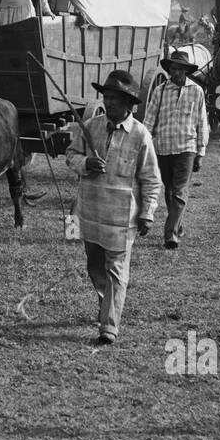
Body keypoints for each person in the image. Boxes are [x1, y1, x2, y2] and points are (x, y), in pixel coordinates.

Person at [64, 70, 163, 346]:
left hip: (122, 220)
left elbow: (151, 179)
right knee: (95, 268)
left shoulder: (141, 135)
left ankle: (109, 326)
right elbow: (70, 156)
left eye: (115, 100)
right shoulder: (91, 127)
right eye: (106, 98)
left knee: (116, 272)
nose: (109, 104)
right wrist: (86, 164)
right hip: (91, 216)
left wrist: (147, 213)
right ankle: (105, 302)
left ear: (129, 104)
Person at [144, 50, 209, 251]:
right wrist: (144, 145)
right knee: (170, 191)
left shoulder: (196, 91)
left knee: (180, 190)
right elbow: (149, 120)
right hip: (162, 149)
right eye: (173, 69)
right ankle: (178, 227)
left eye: (180, 69)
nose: (176, 72)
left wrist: (200, 151)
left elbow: (201, 122)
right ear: (169, 70)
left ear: (187, 71)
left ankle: (170, 234)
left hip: (186, 148)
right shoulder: (160, 91)